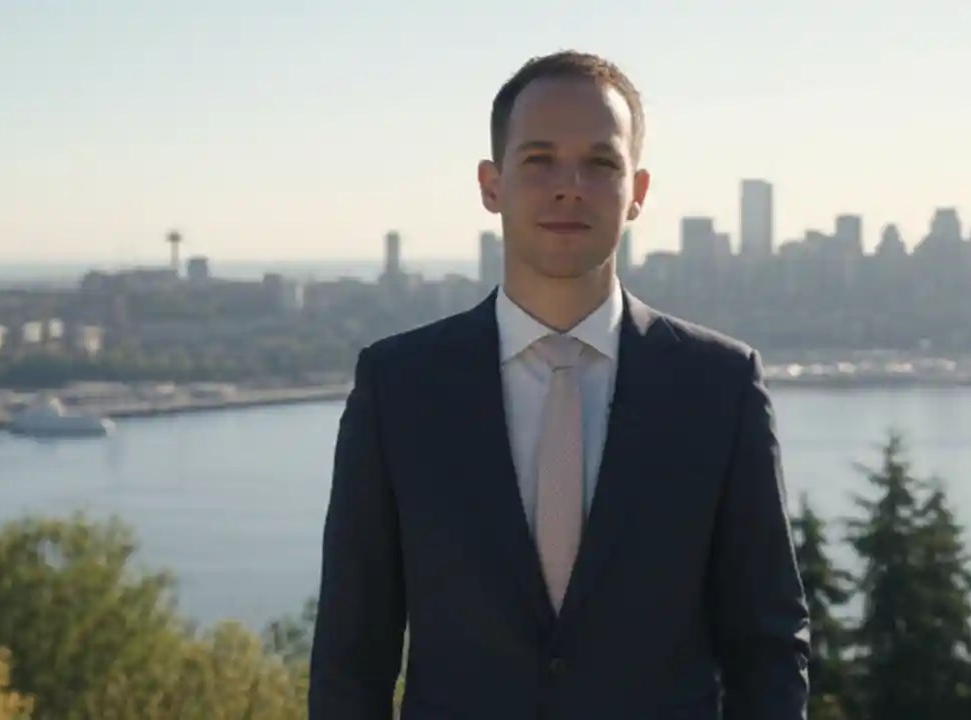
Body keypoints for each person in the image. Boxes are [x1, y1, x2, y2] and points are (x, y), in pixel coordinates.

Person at [309, 50, 811, 719]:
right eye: (539, 158)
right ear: (492, 184)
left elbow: (767, 649)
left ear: (638, 192)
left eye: (601, 163)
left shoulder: (719, 387)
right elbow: (351, 655)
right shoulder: (398, 388)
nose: (569, 185)